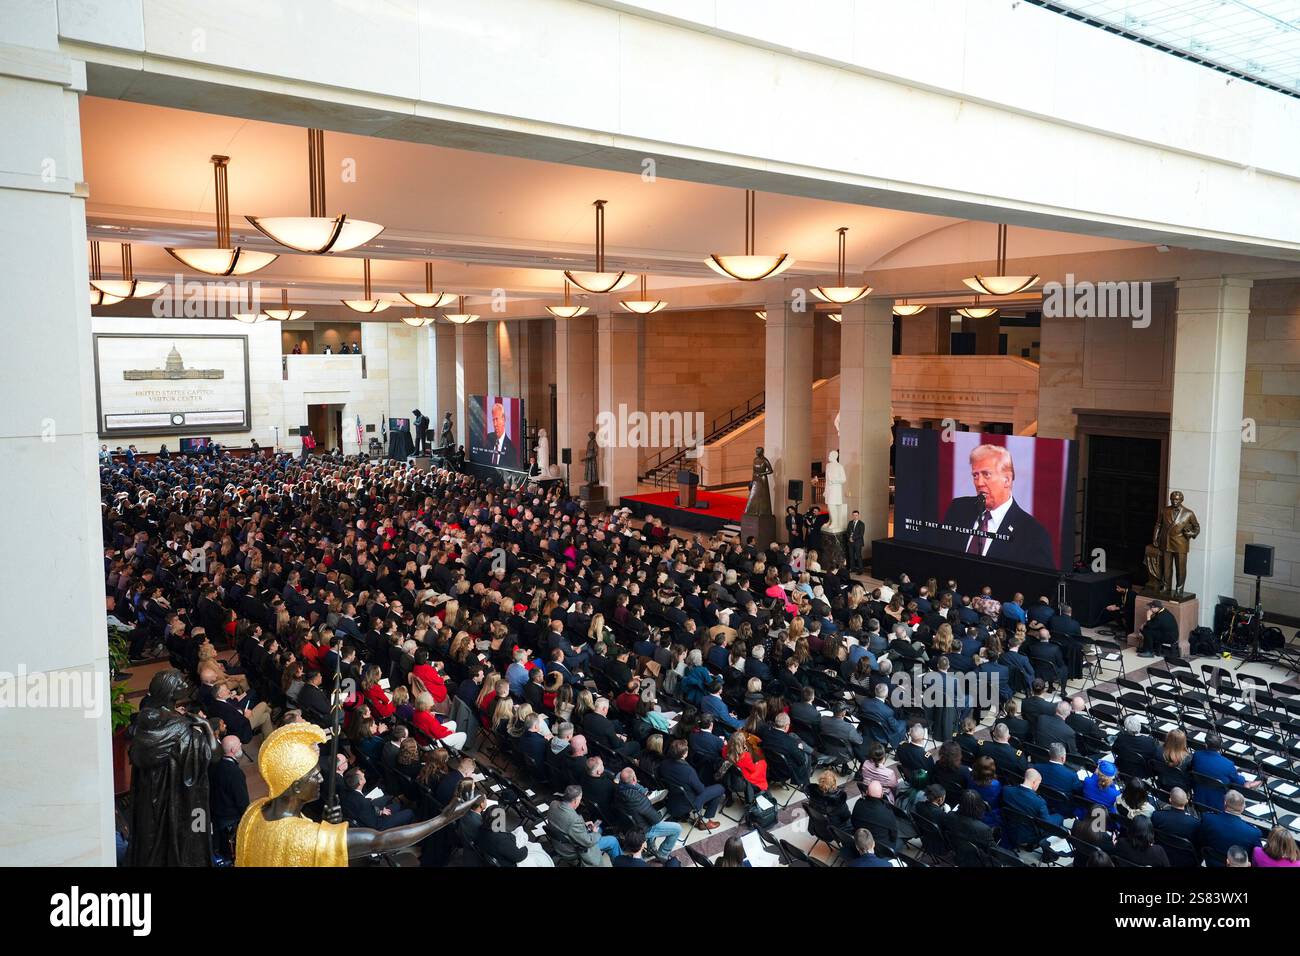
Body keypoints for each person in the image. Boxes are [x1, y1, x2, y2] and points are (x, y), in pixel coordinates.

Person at [939, 443, 1054, 568]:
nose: (979, 483)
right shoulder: (958, 508)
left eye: (986, 474)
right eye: (975, 475)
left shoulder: (1033, 534)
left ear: (1007, 480)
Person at [614, 766, 682, 862]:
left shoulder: (617, 788)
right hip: (643, 830)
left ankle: (650, 848)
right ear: (634, 779)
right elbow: (655, 819)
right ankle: (663, 854)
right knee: (677, 828)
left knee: (647, 817)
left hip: (630, 826)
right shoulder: (637, 798)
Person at [546, 784, 619, 866]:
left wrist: (583, 824)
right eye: (580, 800)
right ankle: (620, 863)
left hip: (559, 843)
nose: (580, 802)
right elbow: (587, 842)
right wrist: (594, 833)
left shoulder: (553, 804)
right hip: (573, 849)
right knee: (613, 841)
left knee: (599, 829)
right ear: (575, 801)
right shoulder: (574, 820)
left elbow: (563, 823)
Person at [1188, 733, 1260, 810]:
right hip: (1218, 802)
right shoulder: (1228, 764)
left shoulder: (1197, 755)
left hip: (1198, 796)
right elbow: (1239, 781)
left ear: (1206, 745)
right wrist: (1242, 778)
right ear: (1220, 747)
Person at [1197, 790, 1263, 865]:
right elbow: (1254, 857)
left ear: (1224, 803)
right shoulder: (1253, 832)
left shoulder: (1208, 819)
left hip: (1211, 862)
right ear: (1243, 808)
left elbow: (1201, 841)